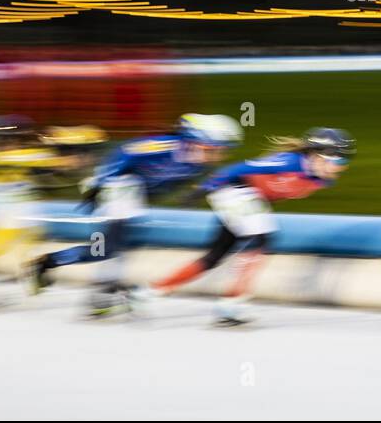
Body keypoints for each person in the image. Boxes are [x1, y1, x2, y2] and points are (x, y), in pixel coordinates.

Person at [25, 113, 243, 316]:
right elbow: (124, 152)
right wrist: (100, 184)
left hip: (132, 193)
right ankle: (56, 269)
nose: (218, 155)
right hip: (119, 186)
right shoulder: (168, 145)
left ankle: (99, 289)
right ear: (197, 139)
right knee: (107, 249)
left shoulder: (198, 161)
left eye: (223, 151)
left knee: (111, 247)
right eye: (215, 148)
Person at [150, 127, 355, 325]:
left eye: (346, 161)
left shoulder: (322, 180)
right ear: (317, 154)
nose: (342, 166)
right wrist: (202, 189)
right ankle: (231, 303)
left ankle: (149, 292)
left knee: (215, 255)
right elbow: (238, 169)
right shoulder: (290, 162)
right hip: (235, 190)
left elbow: (273, 192)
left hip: (248, 200)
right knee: (261, 237)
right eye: (339, 159)